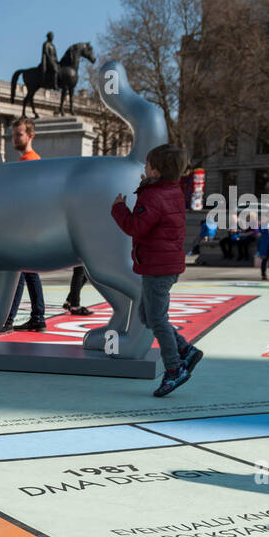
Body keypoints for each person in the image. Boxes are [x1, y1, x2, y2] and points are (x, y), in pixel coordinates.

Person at [111, 144, 202, 397]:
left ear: (157, 171)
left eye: (148, 165)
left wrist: (119, 208)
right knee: (148, 316)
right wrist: (146, 186)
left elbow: (136, 226)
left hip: (157, 266)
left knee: (157, 319)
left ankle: (174, 368)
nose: (145, 168)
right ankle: (186, 350)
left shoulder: (153, 196)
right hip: (165, 264)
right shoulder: (172, 191)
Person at [4, 116, 47, 332]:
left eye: (19, 134)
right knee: (29, 273)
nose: (14, 138)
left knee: (18, 274)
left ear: (30, 135)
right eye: (13, 135)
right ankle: (38, 317)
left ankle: (7, 320)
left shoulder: (28, 162)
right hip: (29, 224)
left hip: (24, 225)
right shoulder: (29, 160)